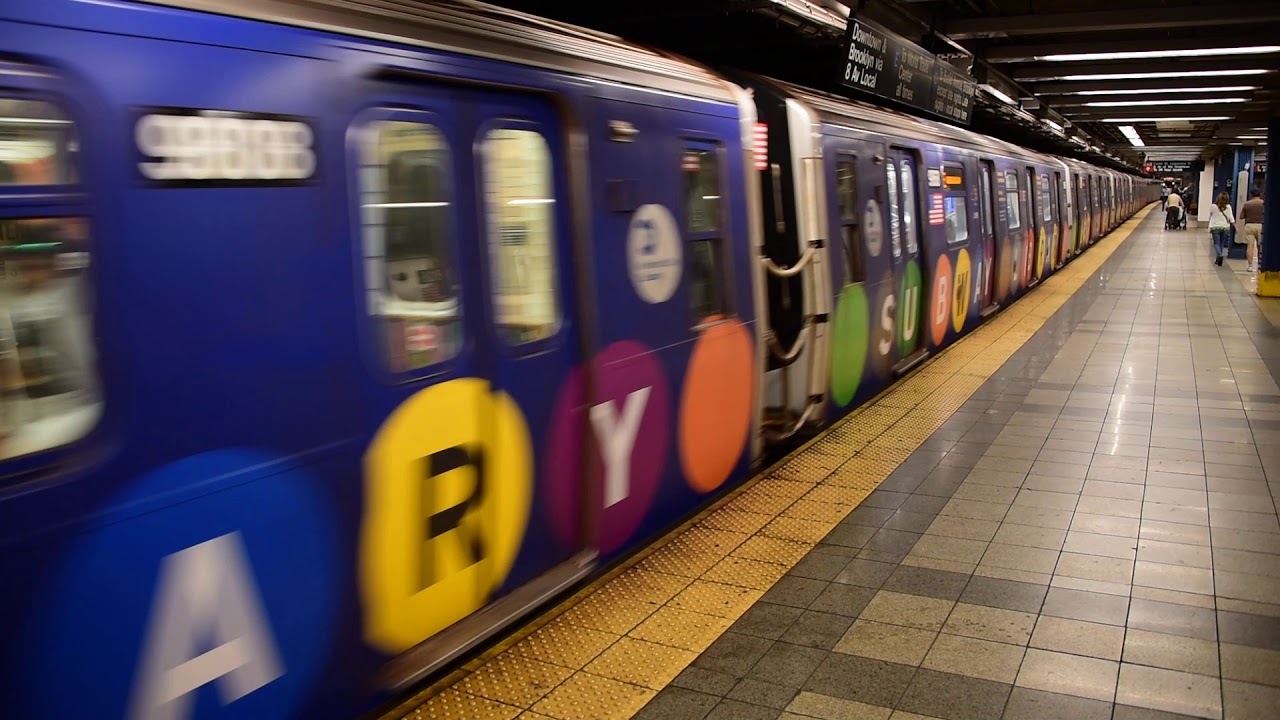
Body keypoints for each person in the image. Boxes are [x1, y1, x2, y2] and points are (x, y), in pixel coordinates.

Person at [1208, 191, 1235, 266]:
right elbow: (1231, 218)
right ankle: (1218, 258)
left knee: (1216, 243)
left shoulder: (1213, 206)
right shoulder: (1228, 207)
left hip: (1215, 227)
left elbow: (1210, 215)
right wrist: (1235, 226)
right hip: (1224, 227)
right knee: (1221, 243)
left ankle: (1219, 256)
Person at [1241, 189, 1264, 271]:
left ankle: (1250, 266)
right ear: (1260, 194)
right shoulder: (1263, 203)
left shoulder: (1247, 204)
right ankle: (1259, 265)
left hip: (1249, 225)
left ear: (1251, 195)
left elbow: (1241, 216)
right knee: (1260, 246)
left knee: (1250, 246)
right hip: (1261, 225)